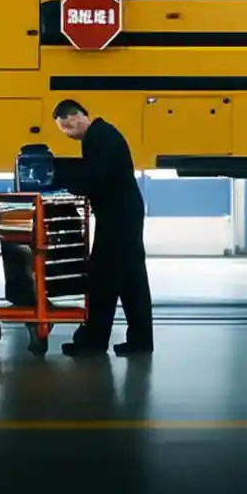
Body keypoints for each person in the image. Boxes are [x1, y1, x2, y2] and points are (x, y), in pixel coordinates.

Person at [51, 99, 153, 357]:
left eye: (68, 126)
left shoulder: (98, 137)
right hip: (125, 212)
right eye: (64, 130)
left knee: (103, 277)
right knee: (132, 280)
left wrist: (66, 184)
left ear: (77, 116)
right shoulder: (104, 133)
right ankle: (140, 340)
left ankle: (93, 341)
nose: (68, 132)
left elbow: (96, 177)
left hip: (117, 215)